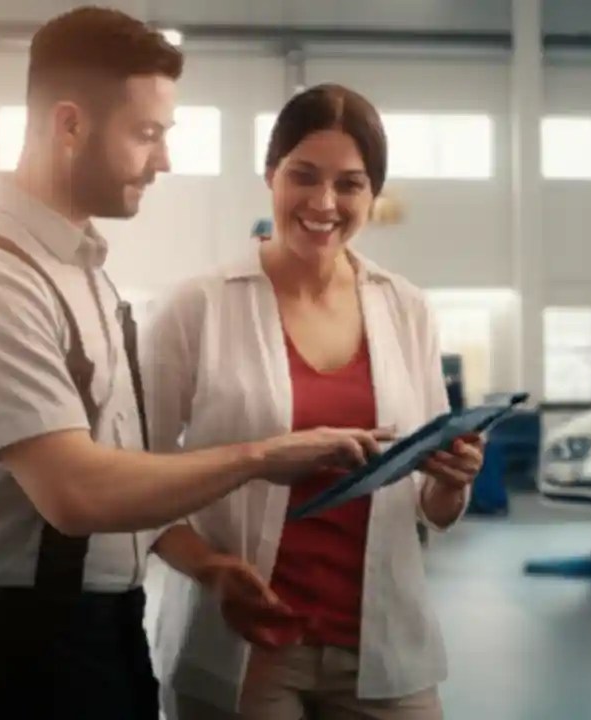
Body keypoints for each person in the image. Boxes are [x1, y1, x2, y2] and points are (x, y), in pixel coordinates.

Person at [0, 11, 387, 720]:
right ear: (69, 125)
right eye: (148, 133)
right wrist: (261, 455)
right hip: (20, 655)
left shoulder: (82, 272)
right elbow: (77, 494)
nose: (162, 160)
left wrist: (206, 564)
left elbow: (122, 463)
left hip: (101, 634)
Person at [144, 83, 485, 720]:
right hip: (248, 642)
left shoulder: (405, 308)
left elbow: (431, 505)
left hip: (382, 642)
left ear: (373, 195)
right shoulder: (200, 307)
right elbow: (139, 480)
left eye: (351, 184)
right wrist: (213, 569)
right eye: (303, 176)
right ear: (270, 175)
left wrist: (455, 481)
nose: (324, 203)